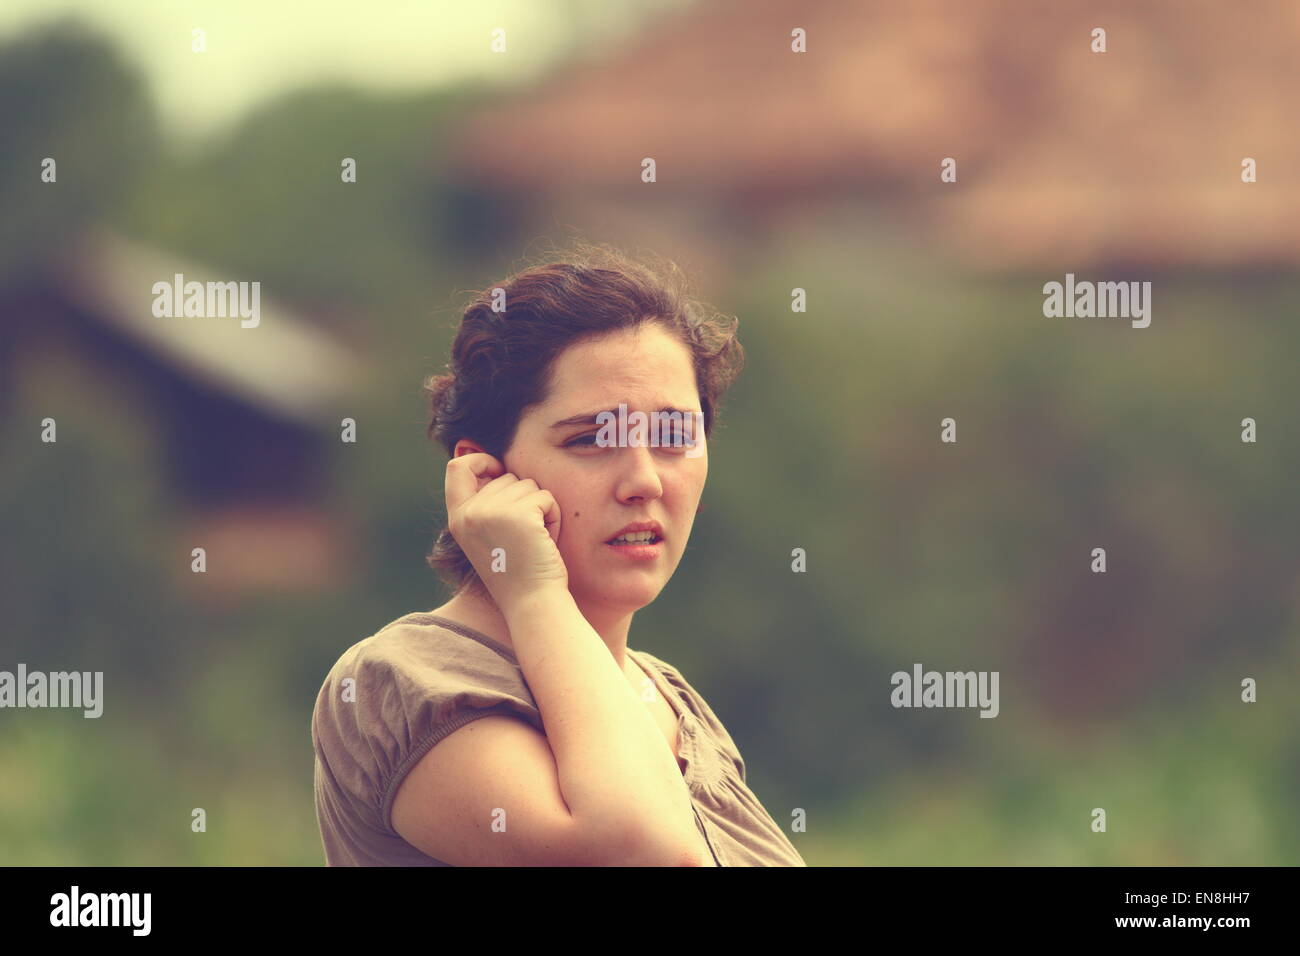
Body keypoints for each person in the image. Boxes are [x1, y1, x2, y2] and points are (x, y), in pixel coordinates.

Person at [312, 241, 806, 866]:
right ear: (486, 475)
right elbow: (639, 853)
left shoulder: (673, 701)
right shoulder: (406, 683)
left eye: (675, 435)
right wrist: (532, 589)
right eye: (594, 438)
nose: (646, 480)